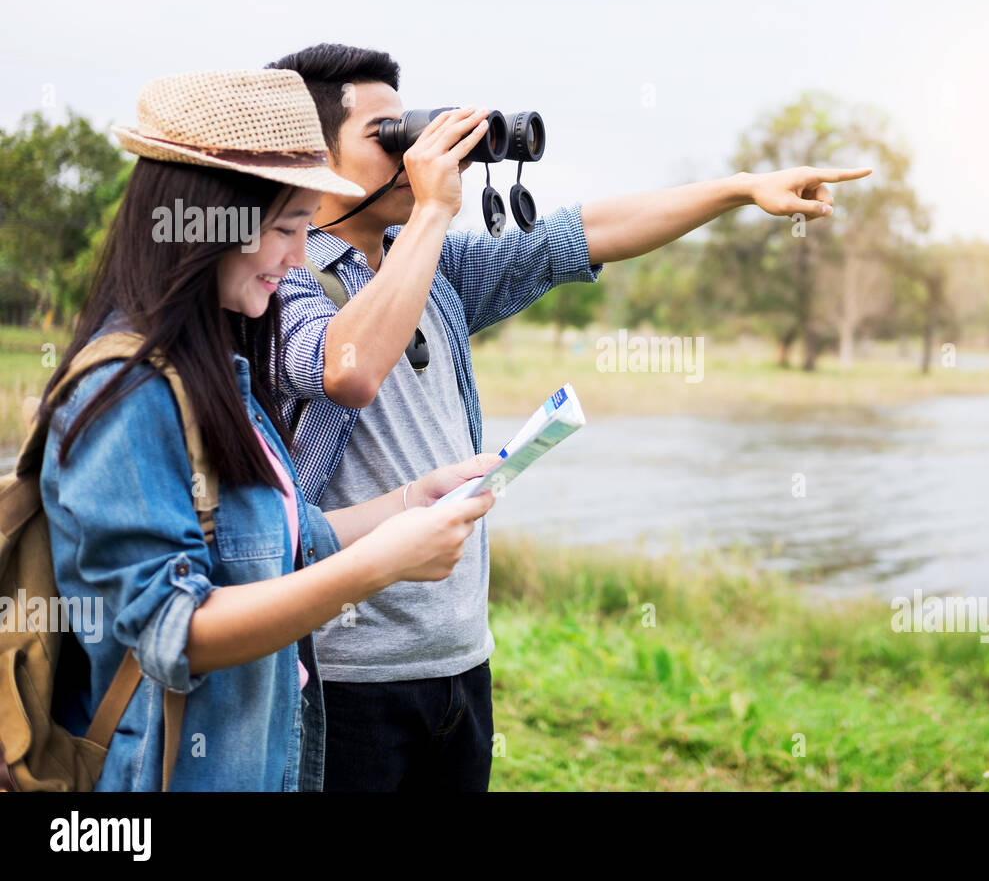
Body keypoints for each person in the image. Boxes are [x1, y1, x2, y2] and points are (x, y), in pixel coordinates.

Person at [265, 42, 872, 791]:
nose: (415, 149)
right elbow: (346, 369)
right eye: (386, 135)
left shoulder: (433, 269)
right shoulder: (279, 277)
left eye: (410, 126)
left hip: (459, 658)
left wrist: (741, 190)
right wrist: (431, 208)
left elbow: (574, 235)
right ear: (310, 157)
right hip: (344, 671)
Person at [39, 68, 496, 791]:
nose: (299, 256)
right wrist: (381, 565)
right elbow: (173, 632)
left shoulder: (218, 369)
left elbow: (285, 541)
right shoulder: (124, 393)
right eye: (287, 229)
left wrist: (414, 503)